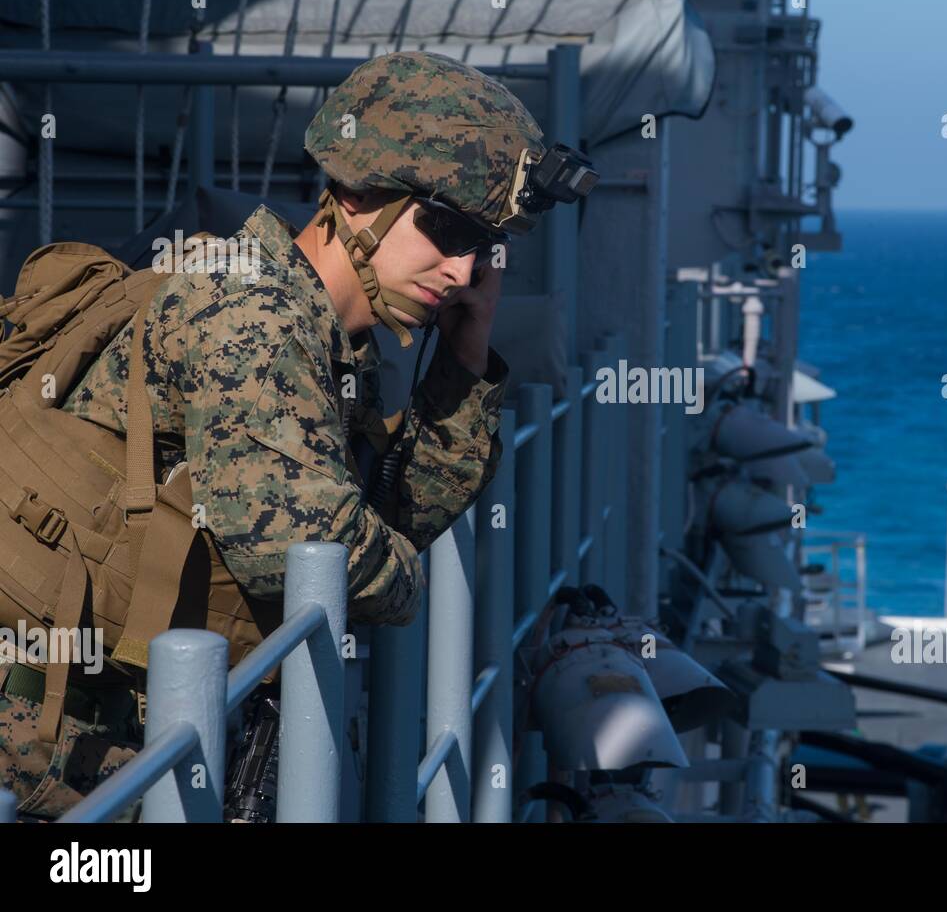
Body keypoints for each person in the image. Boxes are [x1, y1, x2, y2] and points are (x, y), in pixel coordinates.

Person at [0, 50, 585, 819]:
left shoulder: (330, 336)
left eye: (488, 247)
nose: (463, 269)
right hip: (58, 750)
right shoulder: (254, 317)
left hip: (126, 737)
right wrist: (406, 575)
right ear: (355, 194)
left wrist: (465, 356)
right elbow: (307, 554)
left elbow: (394, 520)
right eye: (446, 228)